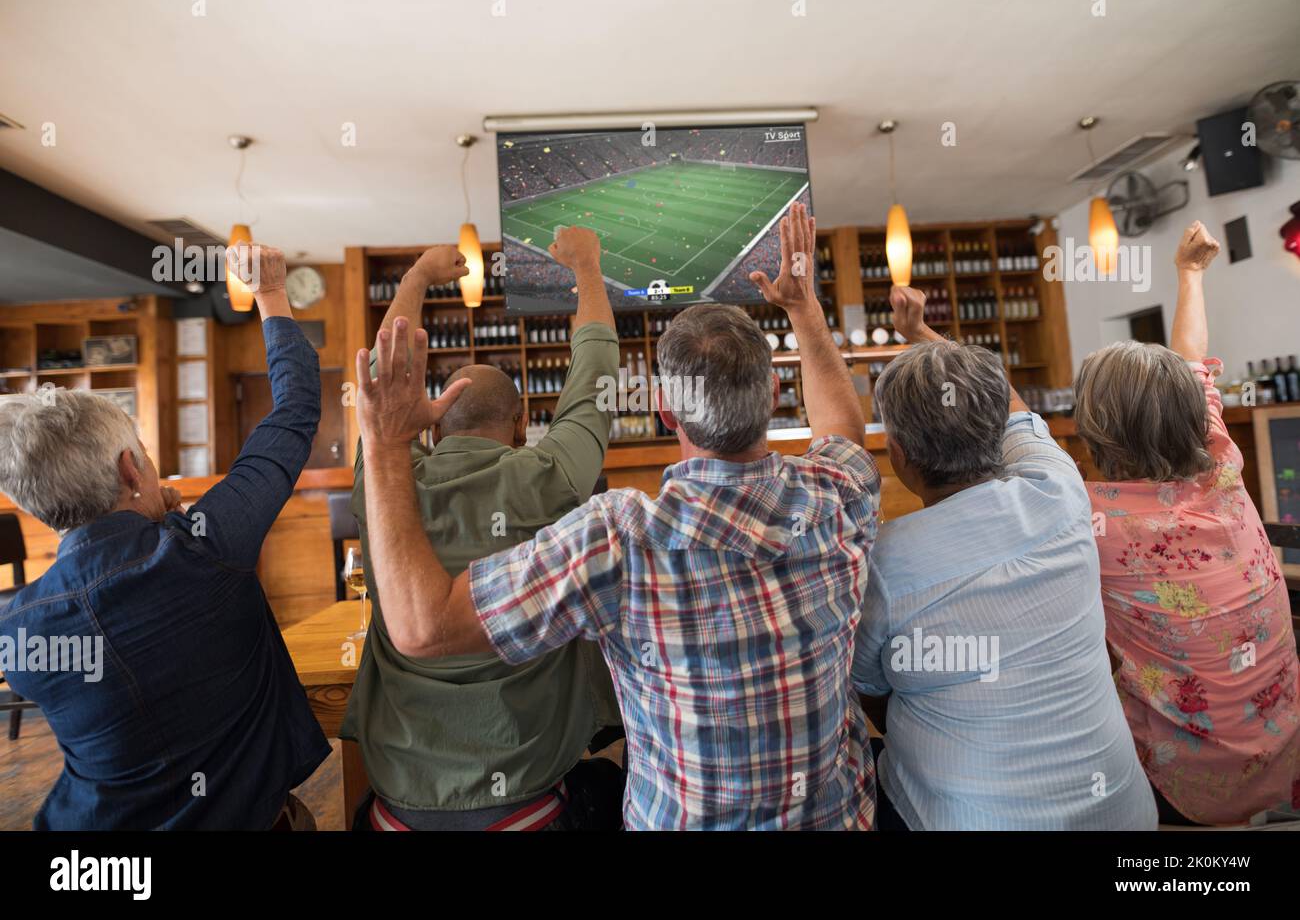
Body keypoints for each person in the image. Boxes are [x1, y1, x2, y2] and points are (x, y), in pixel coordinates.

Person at [354, 203, 880, 829]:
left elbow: (422, 627)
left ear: (664, 408)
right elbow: (843, 426)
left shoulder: (619, 539)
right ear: (772, 395)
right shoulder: (838, 492)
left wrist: (384, 441)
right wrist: (803, 309)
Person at [0, 244, 329, 829]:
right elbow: (295, 410)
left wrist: (150, 519)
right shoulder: (206, 545)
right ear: (131, 468)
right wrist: (270, 293)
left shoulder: (17, 629)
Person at [344, 229, 625, 831]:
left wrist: (416, 275)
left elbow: (382, 378)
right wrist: (587, 267)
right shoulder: (550, 477)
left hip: (396, 809)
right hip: (530, 807)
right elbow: (596, 372)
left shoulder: (386, 483)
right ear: (522, 425)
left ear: (435, 424)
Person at [850, 285, 1156, 830]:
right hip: (1124, 817)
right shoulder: (1061, 489)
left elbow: (869, 688)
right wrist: (921, 334)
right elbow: (1015, 410)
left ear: (898, 457)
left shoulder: (884, 564)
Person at [1074, 221, 1300, 825]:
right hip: (1286, 754)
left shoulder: (1090, 519)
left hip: (1188, 792)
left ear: (1093, 430)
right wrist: (1191, 273)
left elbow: (1012, 424)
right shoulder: (1220, 464)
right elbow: (1192, 361)